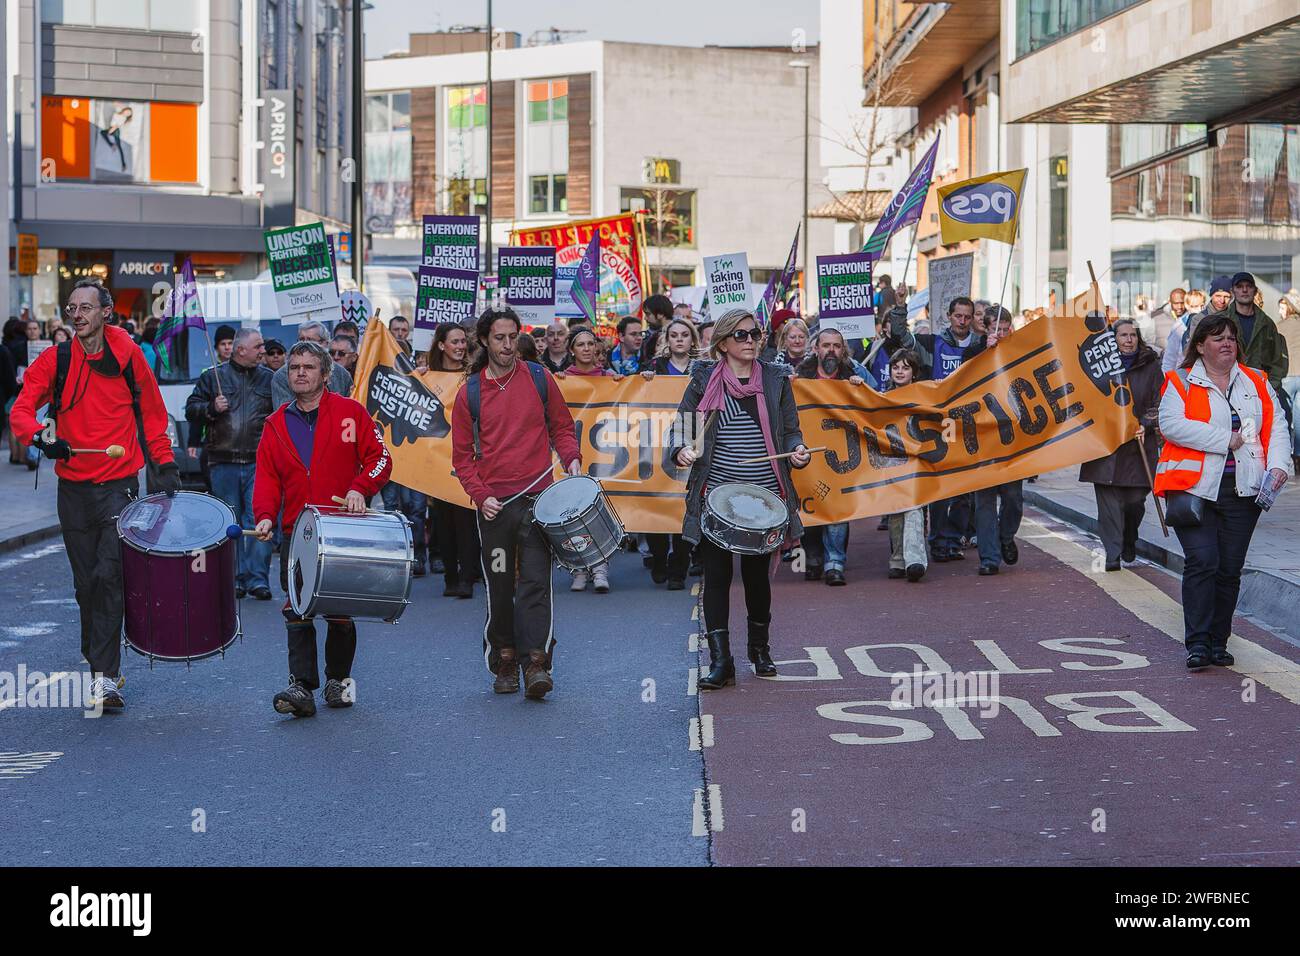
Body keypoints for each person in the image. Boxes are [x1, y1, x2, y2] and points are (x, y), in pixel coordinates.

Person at [11, 278, 178, 710]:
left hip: (119, 485)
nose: (78, 314)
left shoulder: (128, 356)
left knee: (109, 576)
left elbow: (153, 416)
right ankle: (100, 663)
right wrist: (41, 439)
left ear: (106, 312)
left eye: (86, 307)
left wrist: (165, 465)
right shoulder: (56, 359)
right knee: (86, 584)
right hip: (73, 487)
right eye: (71, 308)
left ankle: (104, 677)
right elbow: (22, 409)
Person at [670, 308, 810, 689]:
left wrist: (798, 451)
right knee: (716, 577)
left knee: (756, 578)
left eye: (756, 334)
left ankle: (759, 650)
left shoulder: (777, 379)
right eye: (743, 335)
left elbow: (792, 432)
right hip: (716, 497)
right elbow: (683, 427)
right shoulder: (704, 380)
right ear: (723, 342)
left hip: (764, 497)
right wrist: (681, 448)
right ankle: (721, 661)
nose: (751, 341)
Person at [252, 341, 391, 716]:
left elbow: (381, 459)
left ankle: (338, 680)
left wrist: (360, 489)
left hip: (343, 529)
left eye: (308, 367)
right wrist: (264, 513)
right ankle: (301, 688)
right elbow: (266, 477)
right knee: (296, 608)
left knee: (339, 610)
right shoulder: (275, 424)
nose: (299, 372)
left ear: (325, 375)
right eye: (294, 366)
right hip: (296, 533)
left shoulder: (351, 413)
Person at [452, 307, 581, 700]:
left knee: (537, 584)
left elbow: (561, 426)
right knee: (501, 585)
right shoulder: (469, 392)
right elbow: (461, 459)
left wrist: (572, 458)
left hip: (539, 502)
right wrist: (481, 495)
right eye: (499, 338)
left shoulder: (540, 378)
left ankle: (536, 663)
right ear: (485, 341)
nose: (508, 345)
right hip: (495, 509)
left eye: (512, 337)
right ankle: (505, 660)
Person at [1156, 314, 1292, 670]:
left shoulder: (1256, 380)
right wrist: (1223, 440)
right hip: (1194, 490)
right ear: (1201, 345)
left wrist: (1279, 465)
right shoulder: (1181, 381)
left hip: (1242, 490)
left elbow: (1276, 425)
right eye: (1218, 338)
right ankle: (1198, 644)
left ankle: (1219, 641)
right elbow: (1171, 425)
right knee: (1203, 562)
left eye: (1231, 337)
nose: (1227, 343)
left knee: (1229, 570)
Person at [185, 327, 275, 599]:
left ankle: (258, 579)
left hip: (258, 463)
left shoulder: (269, 379)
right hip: (222, 462)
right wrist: (211, 408)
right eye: (258, 346)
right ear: (241, 350)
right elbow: (191, 409)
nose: (264, 350)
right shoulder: (213, 378)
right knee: (230, 522)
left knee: (260, 520)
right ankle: (234, 578)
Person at [1078, 318, 1161, 571]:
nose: (1128, 339)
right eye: (1122, 335)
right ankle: (1112, 553)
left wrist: (1144, 423)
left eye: (1132, 335)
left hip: (1138, 446)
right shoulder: (1098, 367)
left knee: (1134, 501)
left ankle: (1128, 538)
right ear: (1112, 339)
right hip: (1106, 446)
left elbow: (1160, 402)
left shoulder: (1151, 365)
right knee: (1109, 504)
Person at [794, 328, 870, 586]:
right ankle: (813, 557)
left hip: (842, 456)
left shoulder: (854, 377)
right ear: (816, 348)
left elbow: (878, 401)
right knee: (810, 505)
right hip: (808, 454)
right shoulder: (800, 378)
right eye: (826, 345)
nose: (831, 351)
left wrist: (862, 389)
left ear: (843, 351)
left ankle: (835, 562)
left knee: (838, 507)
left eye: (837, 346)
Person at [915, 296, 985, 562]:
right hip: (937, 426)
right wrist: (899, 306)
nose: (963, 322)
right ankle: (937, 542)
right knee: (939, 488)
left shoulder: (981, 346)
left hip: (968, 425)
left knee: (963, 490)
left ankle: (954, 541)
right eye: (958, 316)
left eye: (968, 317)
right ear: (949, 315)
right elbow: (901, 338)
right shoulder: (933, 343)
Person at [555, 326, 618, 592]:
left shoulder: (610, 377)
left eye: (591, 344)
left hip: (601, 452)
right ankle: (579, 568)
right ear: (572, 350)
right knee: (572, 511)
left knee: (598, 511)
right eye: (581, 344)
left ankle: (600, 568)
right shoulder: (561, 379)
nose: (587, 349)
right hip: (570, 454)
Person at [640, 317, 700, 588]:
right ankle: (660, 557)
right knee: (657, 500)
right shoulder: (654, 367)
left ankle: (679, 567)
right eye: (674, 335)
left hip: (689, 437)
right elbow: (635, 394)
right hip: (655, 438)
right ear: (667, 339)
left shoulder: (701, 369)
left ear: (692, 340)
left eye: (684, 335)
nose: (679, 339)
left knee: (686, 504)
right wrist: (645, 379)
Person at [424, 323, 479, 597]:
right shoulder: (427, 377)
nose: (460, 347)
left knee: (466, 519)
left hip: (468, 455)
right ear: (441, 345)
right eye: (454, 342)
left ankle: (468, 578)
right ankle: (451, 576)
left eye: (462, 342)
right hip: (437, 459)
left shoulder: (474, 375)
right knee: (443, 522)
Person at [971, 306, 1025, 575]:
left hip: (1012, 436)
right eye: (997, 330)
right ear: (985, 329)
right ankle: (989, 558)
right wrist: (985, 353)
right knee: (985, 501)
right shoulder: (973, 352)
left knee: (1014, 497)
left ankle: (1006, 537)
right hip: (982, 436)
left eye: (1006, 329)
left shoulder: (1019, 352)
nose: (1002, 334)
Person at [883, 349, 928, 582]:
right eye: (896, 367)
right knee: (895, 511)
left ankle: (915, 559)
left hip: (916, 460)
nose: (900, 371)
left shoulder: (925, 394)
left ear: (914, 372)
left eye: (905, 367)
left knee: (914, 507)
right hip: (890, 461)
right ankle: (897, 559)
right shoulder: (879, 397)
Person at [271, 321, 354, 408]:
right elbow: (285, 414)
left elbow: (350, 409)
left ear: (325, 343)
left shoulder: (341, 374)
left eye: (310, 341)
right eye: (301, 340)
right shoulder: (281, 376)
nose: (304, 345)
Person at [1165, 277, 1233, 374]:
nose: (1222, 300)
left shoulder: (1234, 318)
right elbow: (1188, 351)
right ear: (1211, 295)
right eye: (1218, 295)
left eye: (1226, 296)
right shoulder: (1198, 319)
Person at [1276, 290, 1300, 465]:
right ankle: (1298, 454)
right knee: (1299, 418)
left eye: (1282, 308)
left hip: (1287, 376)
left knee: (1285, 418)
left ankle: (1285, 455)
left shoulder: (1279, 326)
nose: (1280, 312)